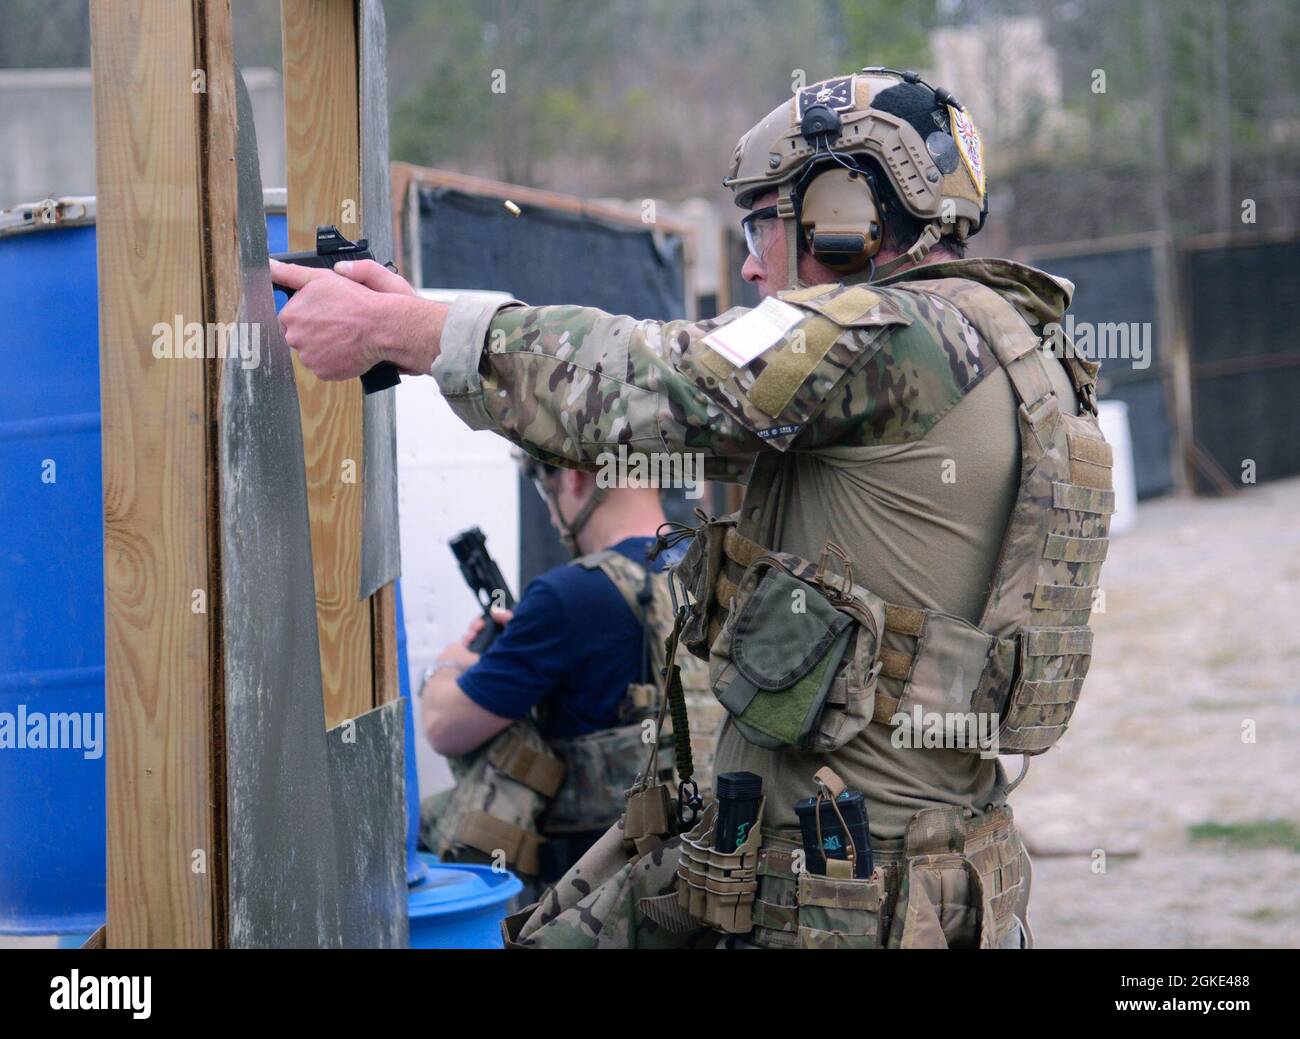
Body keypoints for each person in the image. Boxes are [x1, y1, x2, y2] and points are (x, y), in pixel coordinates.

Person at [271, 67, 1113, 949]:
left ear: (844, 213)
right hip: (894, 871)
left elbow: (650, 382)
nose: (750, 260)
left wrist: (410, 335)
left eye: (764, 220)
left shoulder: (900, 336)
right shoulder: (1012, 351)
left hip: (839, 903)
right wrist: (426, 325)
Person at [415, 456, 708, 891]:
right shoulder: (712, 574)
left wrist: (451, 662)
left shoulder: (565, 594)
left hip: (597, 902)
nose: (552, 513)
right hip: (712, 874)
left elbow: (446, 727)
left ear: (572, 477)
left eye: (543, 487)